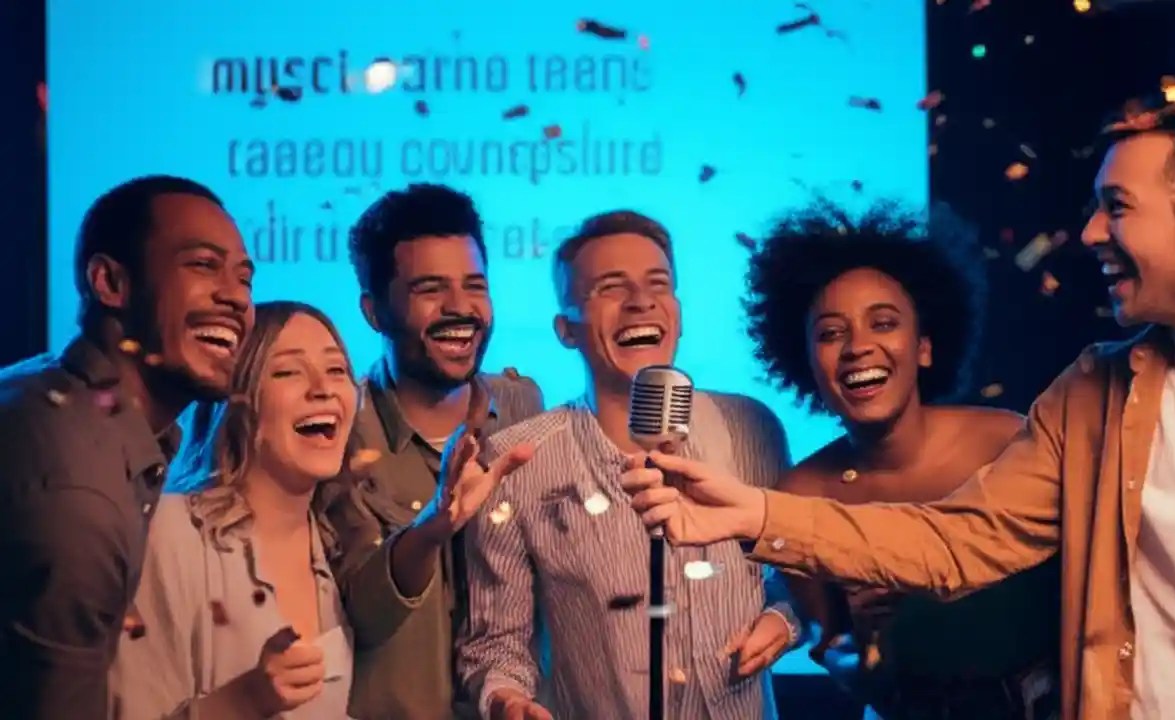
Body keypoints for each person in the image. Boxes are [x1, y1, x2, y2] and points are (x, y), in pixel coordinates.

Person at [623, 86, 1175, 719]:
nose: (1089, 233)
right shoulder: (1089, 397)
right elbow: (960, 539)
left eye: (1118, 205)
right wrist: (756, 512)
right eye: (830, 332)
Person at [457, 210, 798, 720]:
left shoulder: (753, 428)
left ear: (677, 314)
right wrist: (508, 700)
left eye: (657, 284)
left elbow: (797, 577)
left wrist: (784, 619)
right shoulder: (521, 462)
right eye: (611, 288)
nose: (641, 301)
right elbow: (496, 642)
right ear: (566, 329)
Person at [741, 200, 1059, 718]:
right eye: (830, 333)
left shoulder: (1007, 441)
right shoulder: (800, 496)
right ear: (807, 364)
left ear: (925, 347)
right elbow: (846, 667)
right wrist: (868, 640)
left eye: (883, 323)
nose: (857, 347)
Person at [0, 175, 254, 718]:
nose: (235, 296)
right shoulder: (77, 488)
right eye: (203, 265)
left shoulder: (69, 400)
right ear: (110, 282)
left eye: (244, 277)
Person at [315, 183, 542, 719]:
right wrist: (431, 528)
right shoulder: (336, 431)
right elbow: (357, 618)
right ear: (374, 311)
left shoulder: (524, 408)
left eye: (474, 285)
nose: (460, 308)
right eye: (430, 289)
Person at [111, 301, 358, 718]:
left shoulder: (330, 541)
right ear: (236, 402)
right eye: (287, 371)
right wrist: (246, 700)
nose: (323, 388)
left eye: (337, 370)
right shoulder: (169, 532)